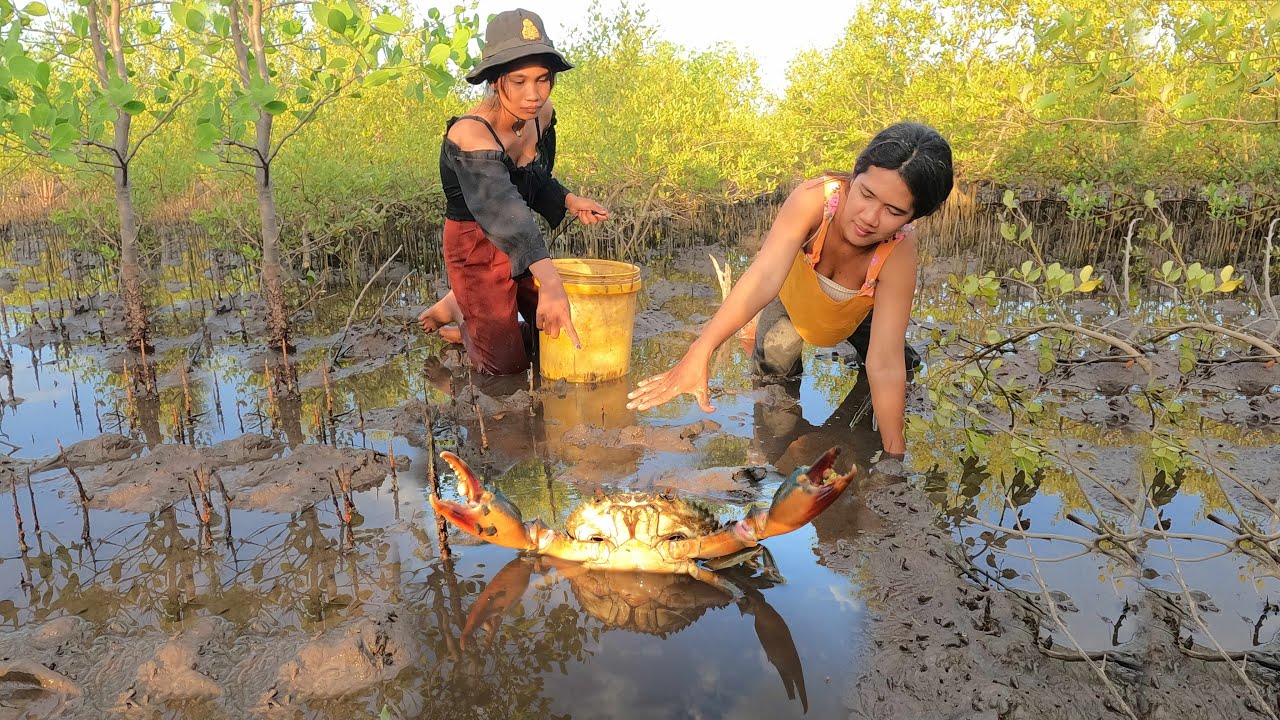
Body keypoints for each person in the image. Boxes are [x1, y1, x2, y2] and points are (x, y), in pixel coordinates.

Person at [626, 122, 954, 461]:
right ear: (854, 176)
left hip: (855, 316)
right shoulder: (816, 200)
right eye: (866, 194)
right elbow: (764, 276)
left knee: (899, 367)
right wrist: (702, 349)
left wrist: (894, 458)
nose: (870, 218)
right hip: (792, 306)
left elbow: (884, 363)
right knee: (773, 390)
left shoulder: (898, 250)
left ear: (914, 217)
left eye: (894, 211)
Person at [417, 8, 610, 374]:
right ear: (495, 80)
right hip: (475, 243)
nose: (533, 95)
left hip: (520, 238)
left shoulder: (541, 114)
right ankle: (467, 308)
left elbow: (530, 181)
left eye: (542, 80)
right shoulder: (471, 135)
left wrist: (568, 200)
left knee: (554, 334)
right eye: (518, 81)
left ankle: (468, 312)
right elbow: (503, 208)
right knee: (506, 370)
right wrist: (550, 281)